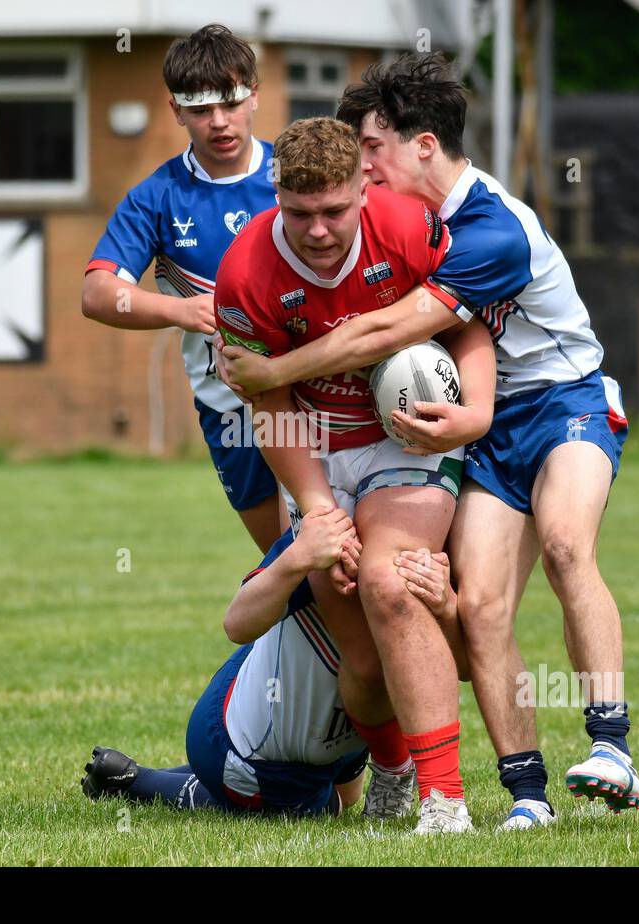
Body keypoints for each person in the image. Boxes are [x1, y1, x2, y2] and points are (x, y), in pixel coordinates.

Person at [216, 55, 639, 829]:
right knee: (472, 609)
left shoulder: (485, 230)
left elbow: (394, 328)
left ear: (420, 146)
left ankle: (608, 743)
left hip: (555, 403)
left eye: (371, 149)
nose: (362, 167)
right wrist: (312, 499)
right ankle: (526, 796)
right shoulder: (282, 254)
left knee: (566, 549)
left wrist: (272, 366)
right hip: (458, 426)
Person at [212, 117, 495, 833]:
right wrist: (314, 508)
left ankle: (445, 800)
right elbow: (267, 400)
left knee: (388, 581)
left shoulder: (409, 227)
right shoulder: (244, 274)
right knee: (364, 669)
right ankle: (392, 769)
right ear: (276, 195)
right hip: (314, 450)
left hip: (407, 439)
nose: (317, 230)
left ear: (363, 190)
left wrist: (476, 411)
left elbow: (465, 324)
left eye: (334, 211)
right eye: (300, 214)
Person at [81, 24, 282, 551]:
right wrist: (183, 311)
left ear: (255, 95)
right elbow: (98, 293)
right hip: (232, 412)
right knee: (294, 568)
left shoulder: (296, 173)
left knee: (349, 564)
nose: (219, 122)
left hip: (320, 399)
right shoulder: (158, 196)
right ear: (175, 111)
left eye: (232, 102)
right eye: (200, 109)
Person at [82, 507, 369, 815]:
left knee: (346, 793)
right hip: (236, 741)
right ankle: (137, 781)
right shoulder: (337, 528)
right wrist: (299, 556)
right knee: (323, 803)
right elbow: (237, 623)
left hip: (337, 713)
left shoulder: (407, 535)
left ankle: (132, 773)